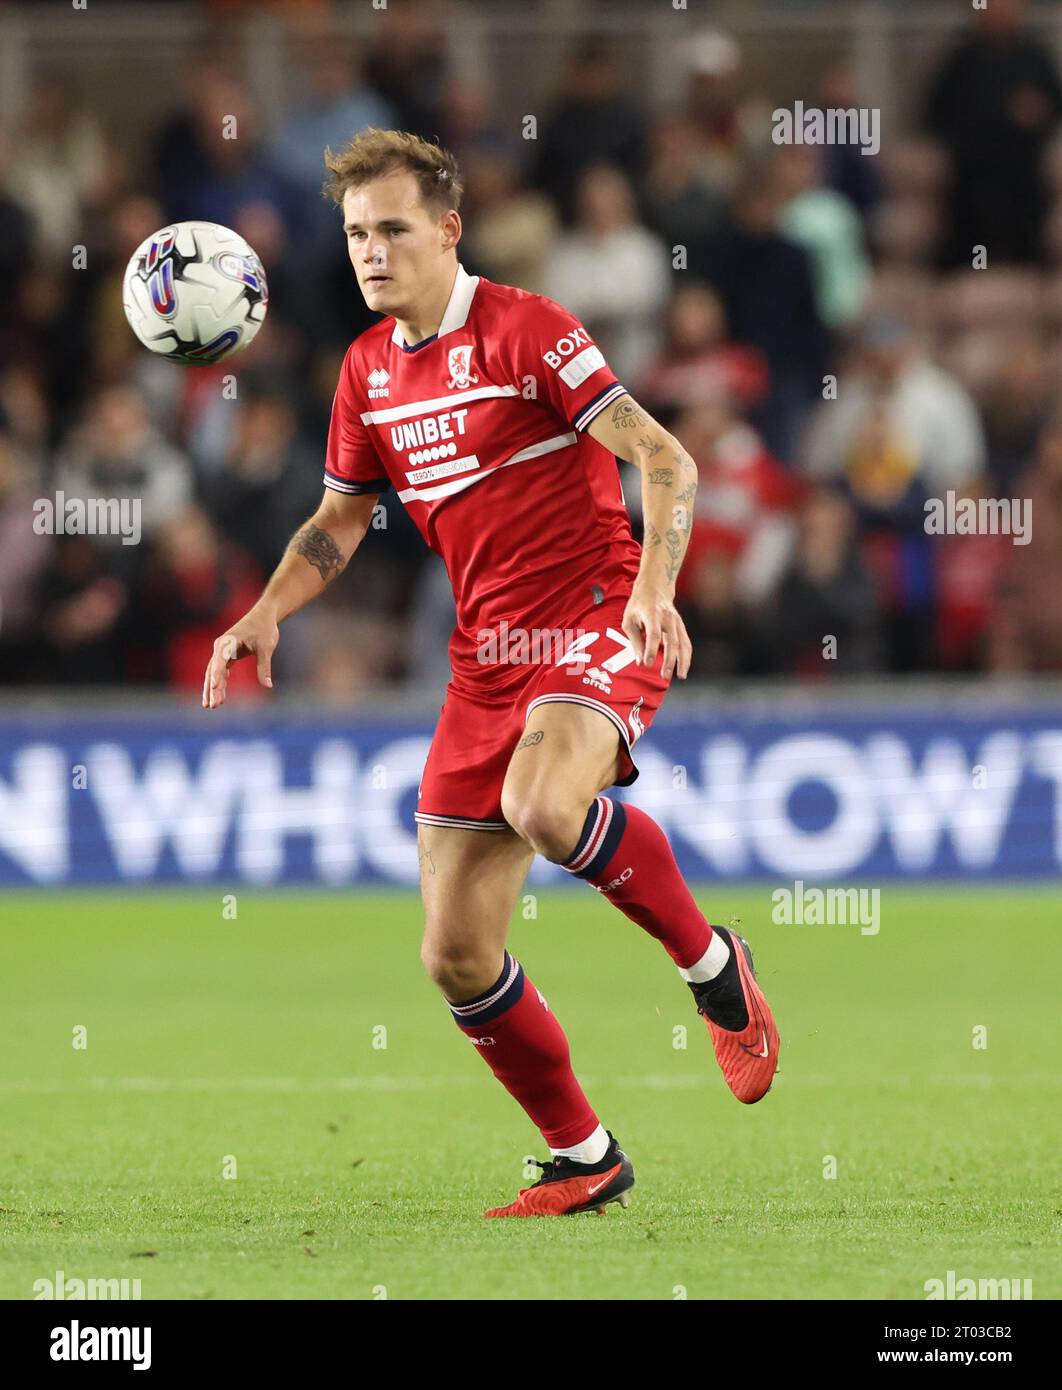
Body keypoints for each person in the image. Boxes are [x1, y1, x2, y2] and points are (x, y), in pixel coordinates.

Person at [201, 130, 779, 1218]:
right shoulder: (367, 371)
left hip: (598, 611)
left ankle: (714, 970)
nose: (372, 252)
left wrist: (654, 591)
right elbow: (339, 518)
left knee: (543, 803)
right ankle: (585, 1155)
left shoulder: (527, 330)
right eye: (357, 234)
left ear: (449, 229)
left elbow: (665, 456)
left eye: (393, 229)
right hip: (486, 660)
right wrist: (265, 612)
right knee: (455, 952)